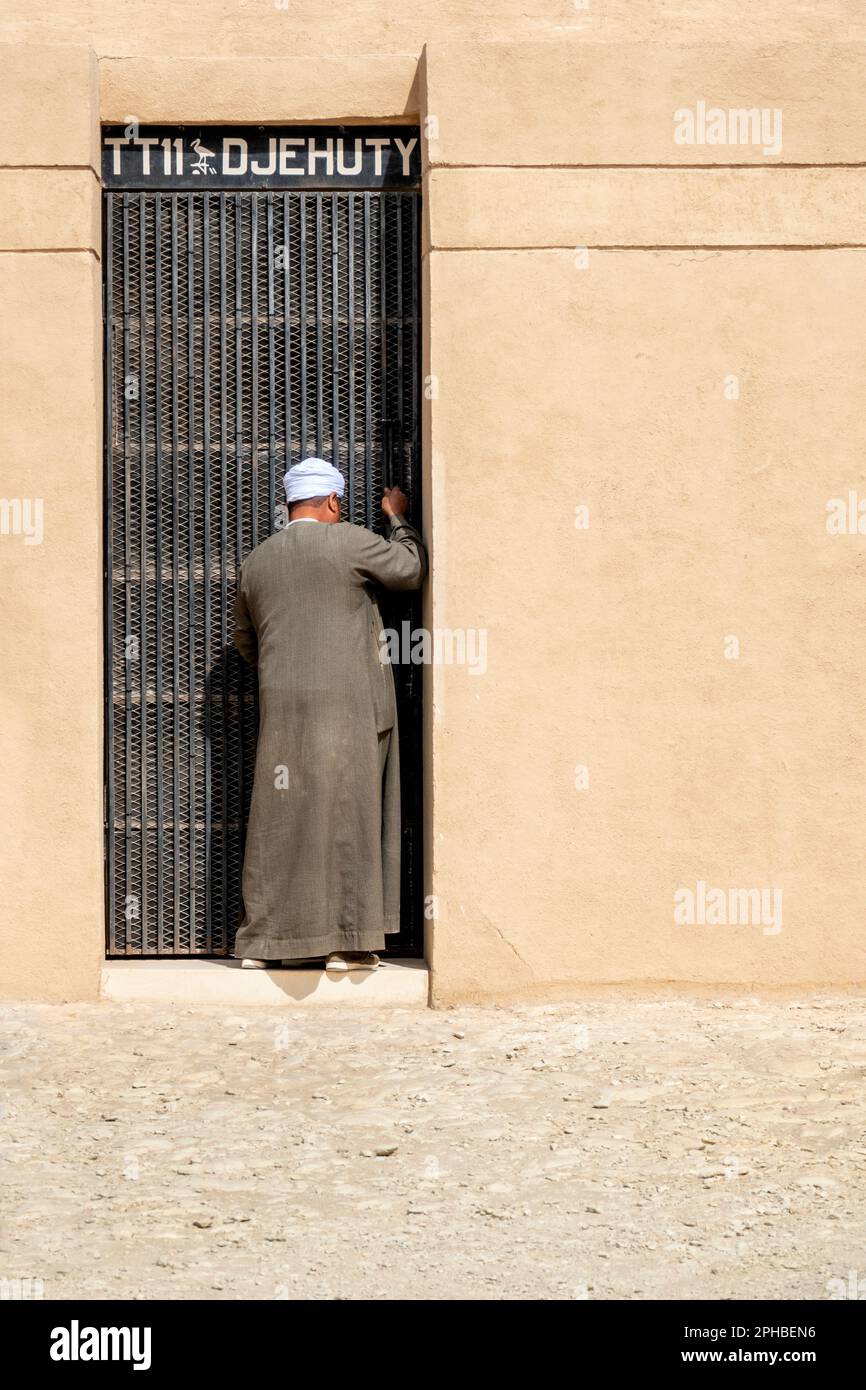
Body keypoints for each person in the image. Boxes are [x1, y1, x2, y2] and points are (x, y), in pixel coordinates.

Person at [232, 456, 427, 973]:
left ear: (288, 504)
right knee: (350, 812)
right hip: (349, 704)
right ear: (334, 502)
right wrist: (399, 519)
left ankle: (269, 942)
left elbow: (245, 641)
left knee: (283, 817)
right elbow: (409, 571)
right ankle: (349, 943)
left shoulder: (257, 561)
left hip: (284, 709)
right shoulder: (350, 540)